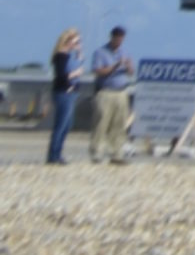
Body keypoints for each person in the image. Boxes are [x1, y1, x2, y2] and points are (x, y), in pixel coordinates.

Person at [89, 29, 135, 166]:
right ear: (112, 37)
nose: (119, 41)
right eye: (117, 38)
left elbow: (131, 72)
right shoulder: (100, 53)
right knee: (101, 122)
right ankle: (97, 153)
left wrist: (128, 66)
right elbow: (98, 71)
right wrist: (114, 66)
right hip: (106, 91)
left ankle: (116, 153)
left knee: (119, 124)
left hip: (121, 91)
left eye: (121, 39)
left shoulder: (124, 52)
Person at [47, 28, 82, 165]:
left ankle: (58, 153)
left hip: (71, 92)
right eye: (76, 41)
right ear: (68, 40)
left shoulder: (70, 56)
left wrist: (79, 53)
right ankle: (53, 155)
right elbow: (61, 75)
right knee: (60, 125)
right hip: (62, 92)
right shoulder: (61, 56)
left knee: (67, 125)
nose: (78, 43)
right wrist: (75, 74)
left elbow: (78, 64)